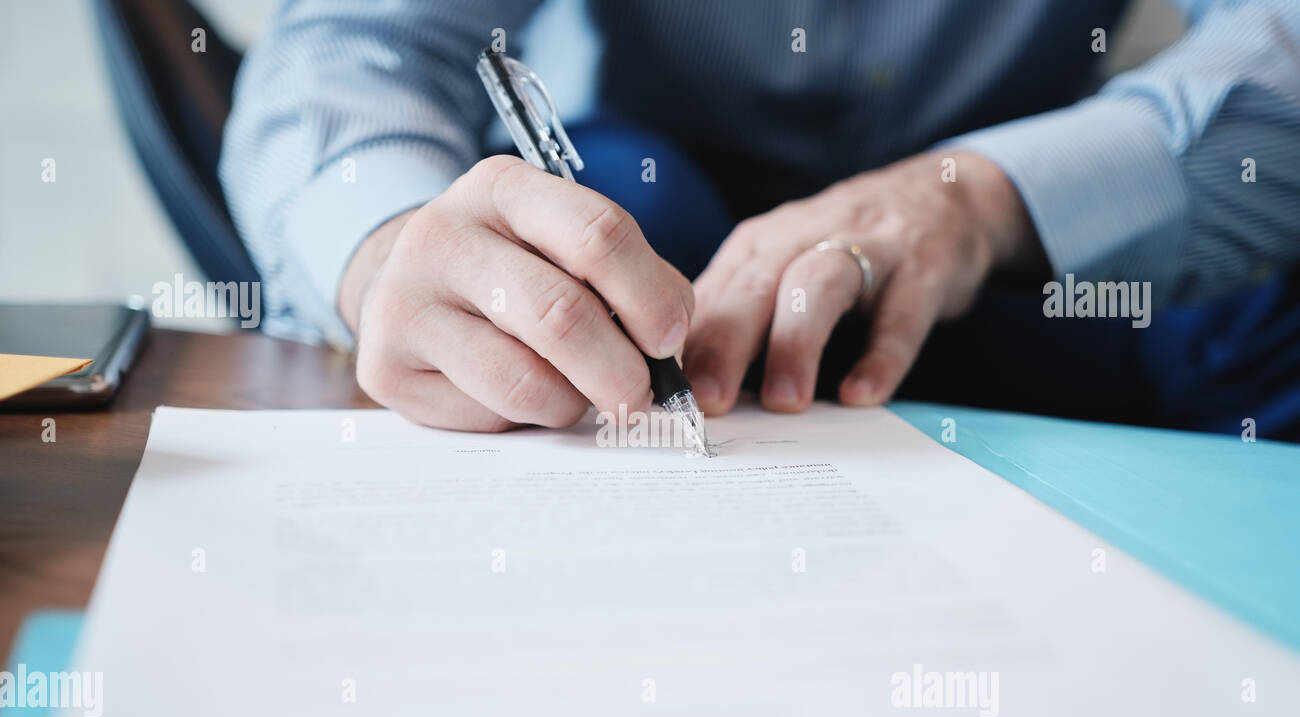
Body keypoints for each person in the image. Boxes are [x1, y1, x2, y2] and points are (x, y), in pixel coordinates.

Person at [219, 0, 1300, 438]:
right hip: (660, 246)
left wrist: (977, 201)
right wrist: (386, 247)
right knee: (612, 216)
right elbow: (351, 49)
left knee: (1259, 297)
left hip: (1013, 261)